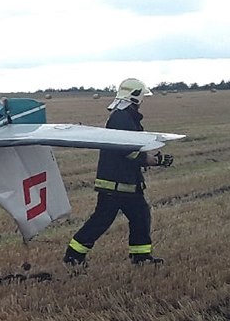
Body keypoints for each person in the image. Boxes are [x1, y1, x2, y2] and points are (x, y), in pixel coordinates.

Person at [63, 78, 174, 266]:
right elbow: (126, 149)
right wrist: (150, 160)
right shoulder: (122, 117)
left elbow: (134, 146)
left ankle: (141, 257)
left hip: (126, 182)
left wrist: (153, 157)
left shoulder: (125, 116)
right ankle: (73, 255)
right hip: (116, 183)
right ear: (136, 96)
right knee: (101, 220)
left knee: (140, 215)